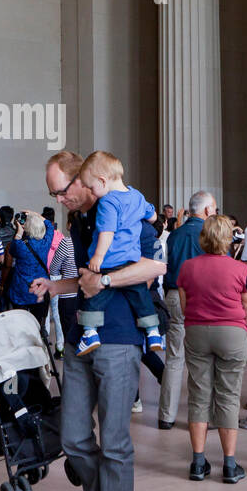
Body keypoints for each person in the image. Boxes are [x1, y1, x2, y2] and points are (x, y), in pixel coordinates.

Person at [30, 151, 166, 491]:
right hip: (79, 335)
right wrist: (56, 287)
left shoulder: (126, 213)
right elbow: (85, 280)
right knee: (73, 438)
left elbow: (151, 268)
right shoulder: (81, 220)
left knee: (115, 443)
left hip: (119, 338)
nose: (59, 199)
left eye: (61, 191)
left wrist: (103, 279)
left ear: (83, 181)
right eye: (53, 193)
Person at [177, 214, 247, 483]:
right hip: (232, 332)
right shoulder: (240, 269)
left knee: (198, 394)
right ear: (228, 239)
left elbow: (184, 306)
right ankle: (230, 465)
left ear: (203, 238)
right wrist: (243, 329)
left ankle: (198, 463)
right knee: (229, 395)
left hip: (197, 331)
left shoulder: (187, 267)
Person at [74, 151, 162, 356]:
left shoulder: (108, 202)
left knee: (95, 298)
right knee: (140, 296)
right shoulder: (137, 196)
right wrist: (153, 221)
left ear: (103, 181)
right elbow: (152, 215)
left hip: (110, 261)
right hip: (131, 260)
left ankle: (89, 333)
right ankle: (153, 332)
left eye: (92, 187)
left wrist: (98, 257)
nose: (92, 193)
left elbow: (107, 232)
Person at [159, 190, 217, 430]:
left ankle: (166, 415)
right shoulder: (208, 234)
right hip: (201, 297)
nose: (214, 212)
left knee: (174, 357)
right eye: (214, 209)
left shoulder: (174, 235)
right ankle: (205, 417)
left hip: (174, 295)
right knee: (203, 359)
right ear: (205, 211)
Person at [6, 210, 59, 325]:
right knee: (38, 324)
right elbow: (50, 226)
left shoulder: (20, 245)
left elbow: (12, 251)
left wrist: (19, 232)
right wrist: (35, 214)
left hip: (21, 290)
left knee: (20, 325)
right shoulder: (46, 242)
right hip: (40, 289)